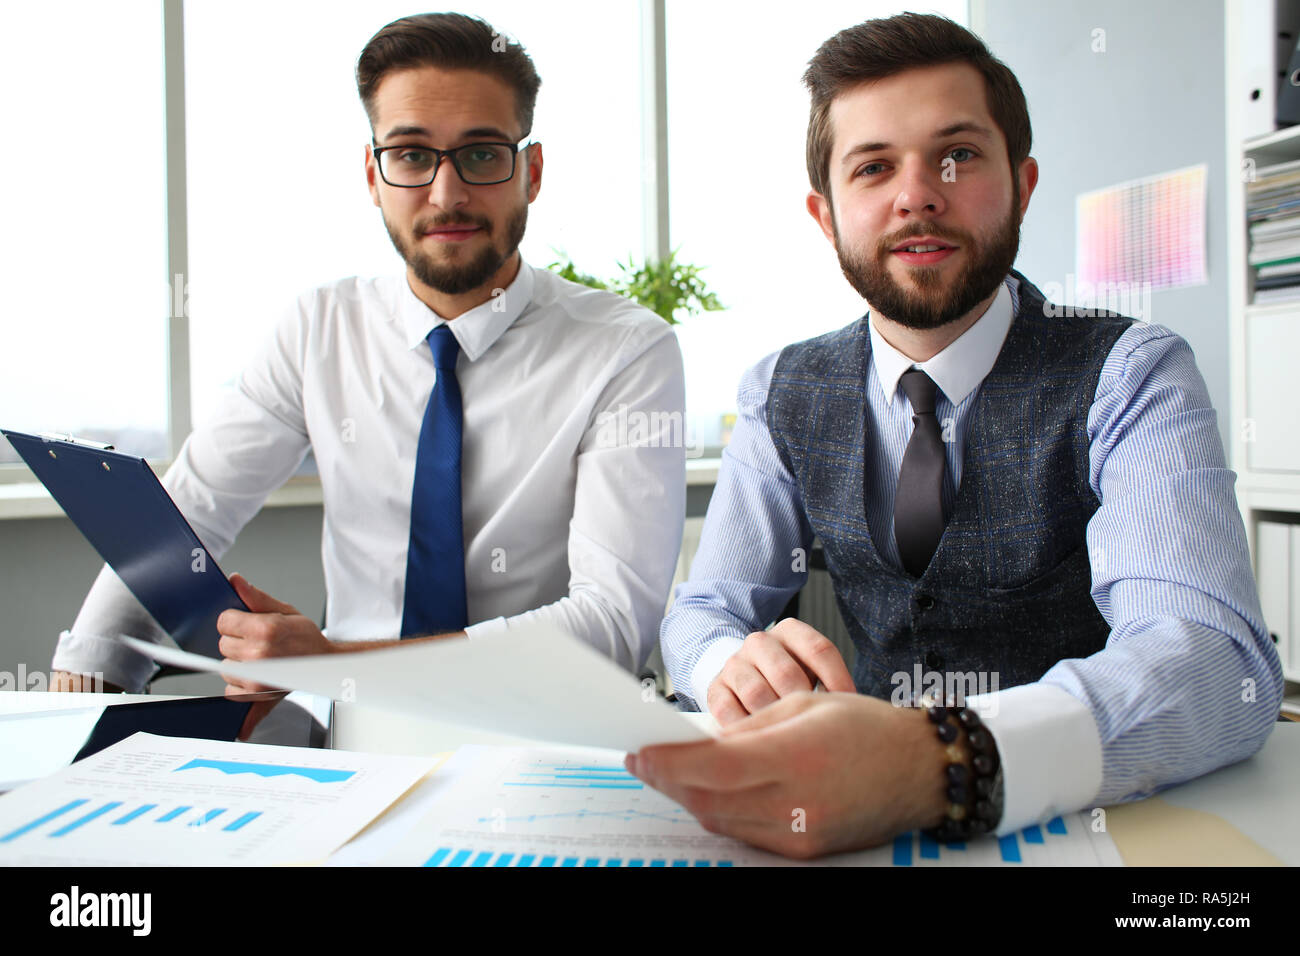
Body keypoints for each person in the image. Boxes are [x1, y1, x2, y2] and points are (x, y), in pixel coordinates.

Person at [637, 13, 1283, 859]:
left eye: (958, 156)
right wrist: (730, 666)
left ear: (1023, 182)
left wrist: (939, 759)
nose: (917, 195)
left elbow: (1212, 663)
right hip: (846, 827)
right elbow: (705, 609)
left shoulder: (1133, 373)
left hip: (1100, 822)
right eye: (873, 168)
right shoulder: (778, 390)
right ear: (824, 215)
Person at [51, 12, 685, 693]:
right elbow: (186, 515)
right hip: (341, 735)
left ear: (530, 171)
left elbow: (614, 624)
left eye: (481, 154)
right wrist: (87, 674)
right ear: (373, 173)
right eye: (412, 154)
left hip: (551, 727)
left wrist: (342, 667)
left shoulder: (626, 350)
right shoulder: (317, 329)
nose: (447, 195)